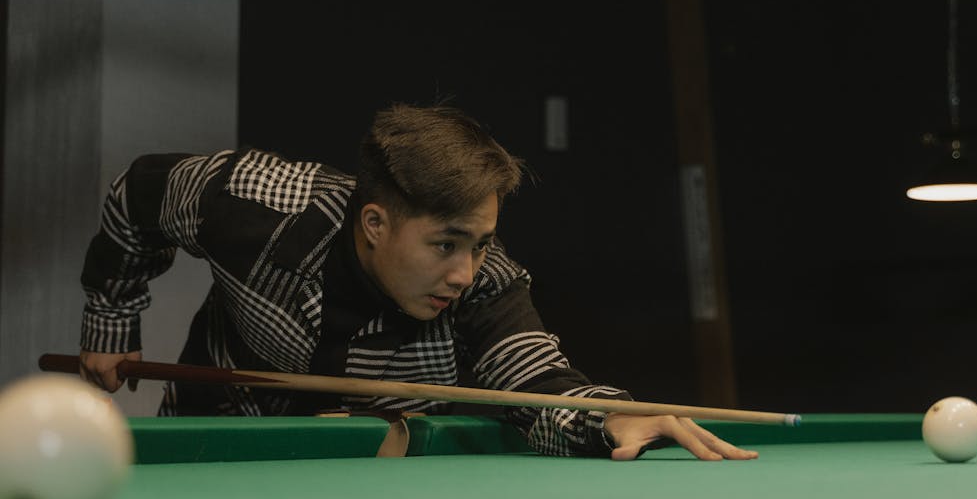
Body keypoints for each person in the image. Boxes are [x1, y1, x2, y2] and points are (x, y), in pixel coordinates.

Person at [77, 103, 756, 461]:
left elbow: (539, 382)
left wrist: (610, 414)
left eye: (480, 242)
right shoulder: (258, 207)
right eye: (443, 245)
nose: (463, 271)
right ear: (375, 222)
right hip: (214, 430)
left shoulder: (487, 287)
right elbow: (138, 197)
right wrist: (112, 318)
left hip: (375, 474)